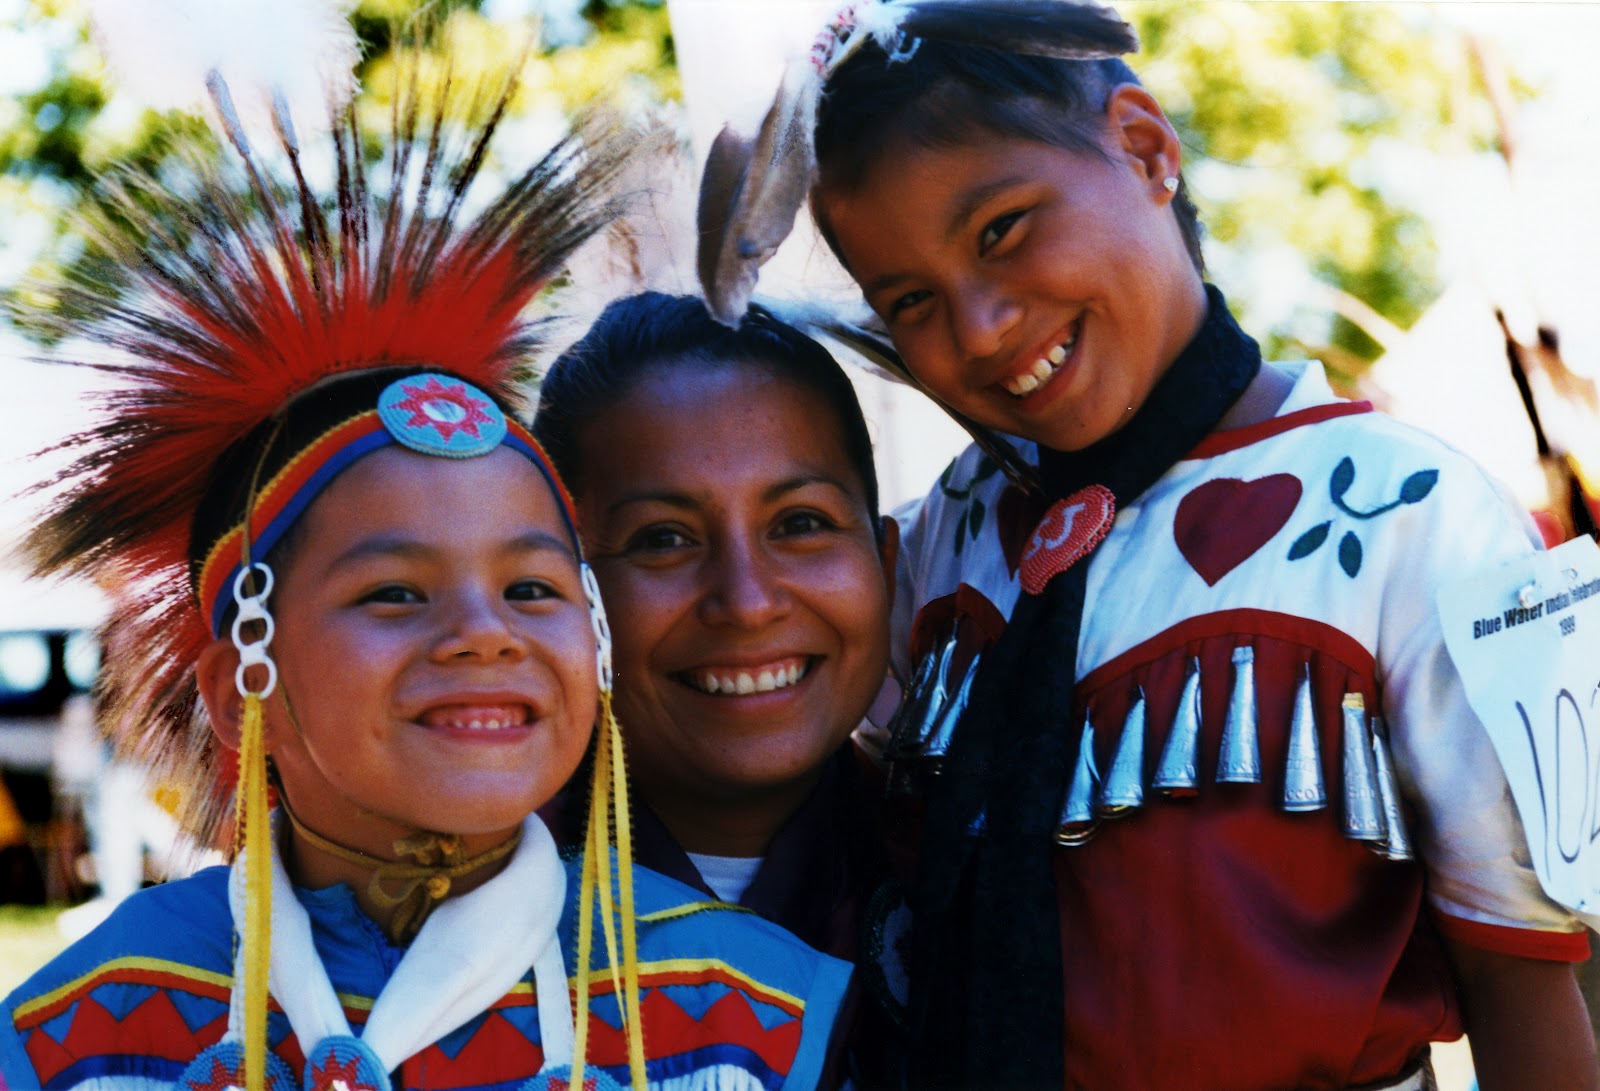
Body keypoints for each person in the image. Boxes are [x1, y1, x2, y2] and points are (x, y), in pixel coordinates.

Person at [695, 3, 1600, 1090]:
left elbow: (1522, 984)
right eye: (910, 300)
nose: (979, 327)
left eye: (1002, 228)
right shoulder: (950, 535)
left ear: (1144, 145)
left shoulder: (1419, 520)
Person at [0, 57, 848, 1091]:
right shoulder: (89, 1022)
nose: (486, 633)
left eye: (535, 587)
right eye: (394, 592)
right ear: (238, 682)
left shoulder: (757, 1014)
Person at [534, 292, 898, 1088]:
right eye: (662, 539)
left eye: (800, 522)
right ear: (557, 597)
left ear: (888, 564)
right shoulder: (448, 913)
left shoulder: (989, 887)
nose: (747, 599)